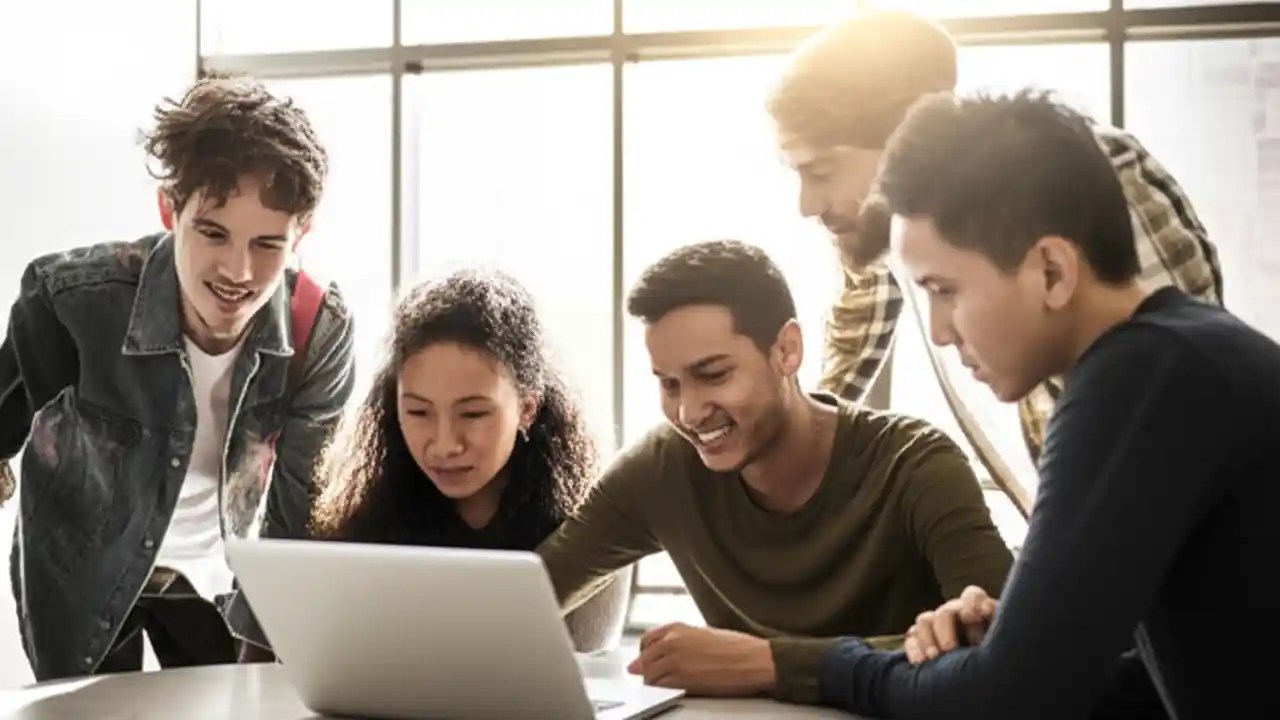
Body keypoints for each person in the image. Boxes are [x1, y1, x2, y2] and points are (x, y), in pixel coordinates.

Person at [816, 90, 1278, 720]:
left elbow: (1013, 702)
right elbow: (1150, 684)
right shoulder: (1188, 352)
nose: (941, 332)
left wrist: (840, 667)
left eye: (945, 290)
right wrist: (1019, 644)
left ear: (1053, 271)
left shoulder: (1138, 376)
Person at [536, 239, 1013, 703]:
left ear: (787, 350)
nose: (689, 413)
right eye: (670, 384)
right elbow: (534, 591)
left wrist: (765, 663)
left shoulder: (915, 464)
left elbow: (1009, 647)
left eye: (713, 375)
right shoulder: (661, 468)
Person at [0, 75, 355, 681]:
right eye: (213, 232)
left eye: (268, 244)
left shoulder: (317, 329)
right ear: (170, 209)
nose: (238, 270)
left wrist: (274, 662)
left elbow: (297, 518)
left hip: (218, 580)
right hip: (80, 573)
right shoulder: (74, 300)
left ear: (302, 233)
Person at [766, 9, 1222, 465]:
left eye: (821, 171)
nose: (806, 204)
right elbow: (862, 307)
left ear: (906, 135)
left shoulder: (1085, 176)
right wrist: (791, 439)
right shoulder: (897, 221)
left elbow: (1170, 399)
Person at [308, 269, 627, 650]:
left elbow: (587, 665)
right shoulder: (367, 522)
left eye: (473, 414)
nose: (444, 445)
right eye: (418, 412)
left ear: (527, 408)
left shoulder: (590, 529)